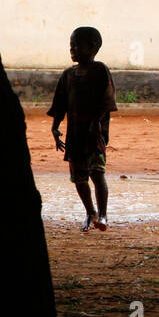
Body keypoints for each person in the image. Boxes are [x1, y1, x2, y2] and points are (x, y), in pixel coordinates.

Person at [47, 26, 117, 231]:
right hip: (75, 134)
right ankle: (90, 212)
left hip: (95, 135)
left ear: (93, 46)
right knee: (79, 177)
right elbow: (59, 103)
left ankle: (103, 215)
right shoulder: (68, 75)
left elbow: (107, 100)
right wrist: (55, 126)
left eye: (76, 45)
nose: (72, 49)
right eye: (71, 45)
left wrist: (97, 122)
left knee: (97, 172)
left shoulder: (100, 70)